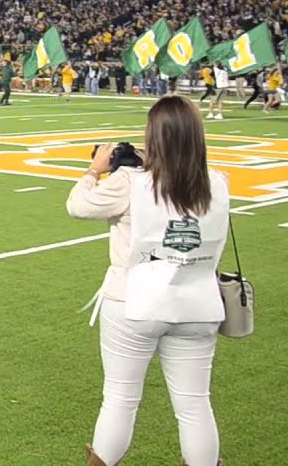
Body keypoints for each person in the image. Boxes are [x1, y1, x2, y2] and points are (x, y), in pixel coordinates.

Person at [66, 95, 230, 466]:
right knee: (194, 405)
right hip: (198, 302)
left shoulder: (129, 183)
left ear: (153, 136)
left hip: (133, 301)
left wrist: (94, 170)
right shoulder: (218, 182)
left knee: (120, 399)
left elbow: (78, 205)